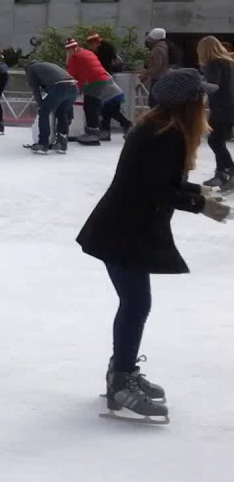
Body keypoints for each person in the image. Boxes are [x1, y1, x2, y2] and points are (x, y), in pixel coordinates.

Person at [77, 68, 231, 423]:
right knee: (136, 303)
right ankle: (121, 381)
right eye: (201, 96)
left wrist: (197, 192)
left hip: (126, 226)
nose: (205, 101)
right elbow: (155, 189)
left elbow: (158, 180)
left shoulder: (158, 127)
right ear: (187, 103)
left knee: (135, 303)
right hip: (124, 230)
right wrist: (200, 204)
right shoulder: (165, 135)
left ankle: (122, 370)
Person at [65, 38, 130, 145]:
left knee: (90, 107)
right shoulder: (87, 53)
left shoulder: (74, 58)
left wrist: (76, 89)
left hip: (94, 82)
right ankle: (102, 132)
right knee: (103, 108)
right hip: (105, 79)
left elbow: (73, 77)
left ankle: (93, 135)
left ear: (69, 50)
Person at [198, 36, 234, 191]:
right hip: (229, 106)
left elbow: (214, 85)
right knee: (218, 140)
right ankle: (221, 175)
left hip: (221, 108)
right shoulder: (227, 63)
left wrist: (198, 83)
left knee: (215, 141)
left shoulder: (214, 63)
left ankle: (229, 170)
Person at [24, 61, 77, 154]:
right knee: (62, 112)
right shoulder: (49, 65)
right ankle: (62, 144)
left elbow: (35, 90)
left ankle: (43, 144)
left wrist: (41, 105)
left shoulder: (31, 69)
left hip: (60, 87)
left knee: (44, 112)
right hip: (74, 86)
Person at [141, 28, 170, 107]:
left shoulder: (157, 49)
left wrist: (146, 74)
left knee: (154, 101)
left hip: (158, 78)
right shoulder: (165, 47)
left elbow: (157, 65)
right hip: (164, 76)